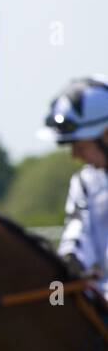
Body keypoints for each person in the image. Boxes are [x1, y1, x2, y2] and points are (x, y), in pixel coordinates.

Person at [39, 76, 108, 293]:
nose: (75, 155)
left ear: (106, 135)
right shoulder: (85, 182)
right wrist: (69, 262)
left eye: (80, 145)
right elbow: (78, 234)